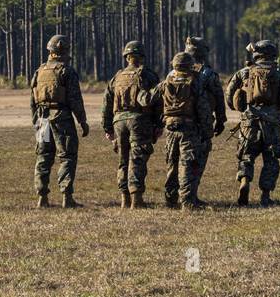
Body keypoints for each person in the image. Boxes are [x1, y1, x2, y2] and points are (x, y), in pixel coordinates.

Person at [225, 40, 280, 207]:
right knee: (271, 158)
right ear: (273, 54)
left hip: (249, 121)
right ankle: (265, 195)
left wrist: (239, 108)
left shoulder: (244, 72)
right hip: (272, 123)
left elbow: (229, 95)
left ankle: (244, 181)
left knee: (246, 156)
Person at [139, 51, 210, 209]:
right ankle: (187, 201)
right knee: (187, 164)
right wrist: (207, 131)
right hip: (189, 128)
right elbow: (203, 108)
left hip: (170, 128)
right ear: (190, 65)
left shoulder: (166, 81)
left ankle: (170, 199)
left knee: (172, 163)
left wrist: (141, 91)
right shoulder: (195, 81)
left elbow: (147, 100)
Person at [30, 34, 89, 208]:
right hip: (61, 117)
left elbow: (33, 100)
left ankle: (42, 197)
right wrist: (82, 121)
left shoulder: (39, 71)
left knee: (43, 156)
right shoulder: (66, 71)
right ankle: (66, 197)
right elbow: (75, 99)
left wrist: (36, 121)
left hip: (42, 118)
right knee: (67, 156)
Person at [101, 40, 160, 208]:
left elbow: (107, 103)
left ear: (127, 57)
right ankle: (136, 199)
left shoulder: (117, 77)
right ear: (142, 57)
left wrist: (107, 128)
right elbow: (157, 102)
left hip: (119, 121)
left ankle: (124, 198)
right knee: (138, 158)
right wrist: (158, 125)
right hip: (139, 120)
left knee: (123, 159)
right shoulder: (148, 75)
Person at [184, 36, 226, 193]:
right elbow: (219, 98)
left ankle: (172, 196)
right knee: (197, 159)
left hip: (178, 121)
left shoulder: (176, 71)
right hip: (201, 123)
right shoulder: (208, 73)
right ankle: (190, 194)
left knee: (175, 159)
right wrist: (221, 120)